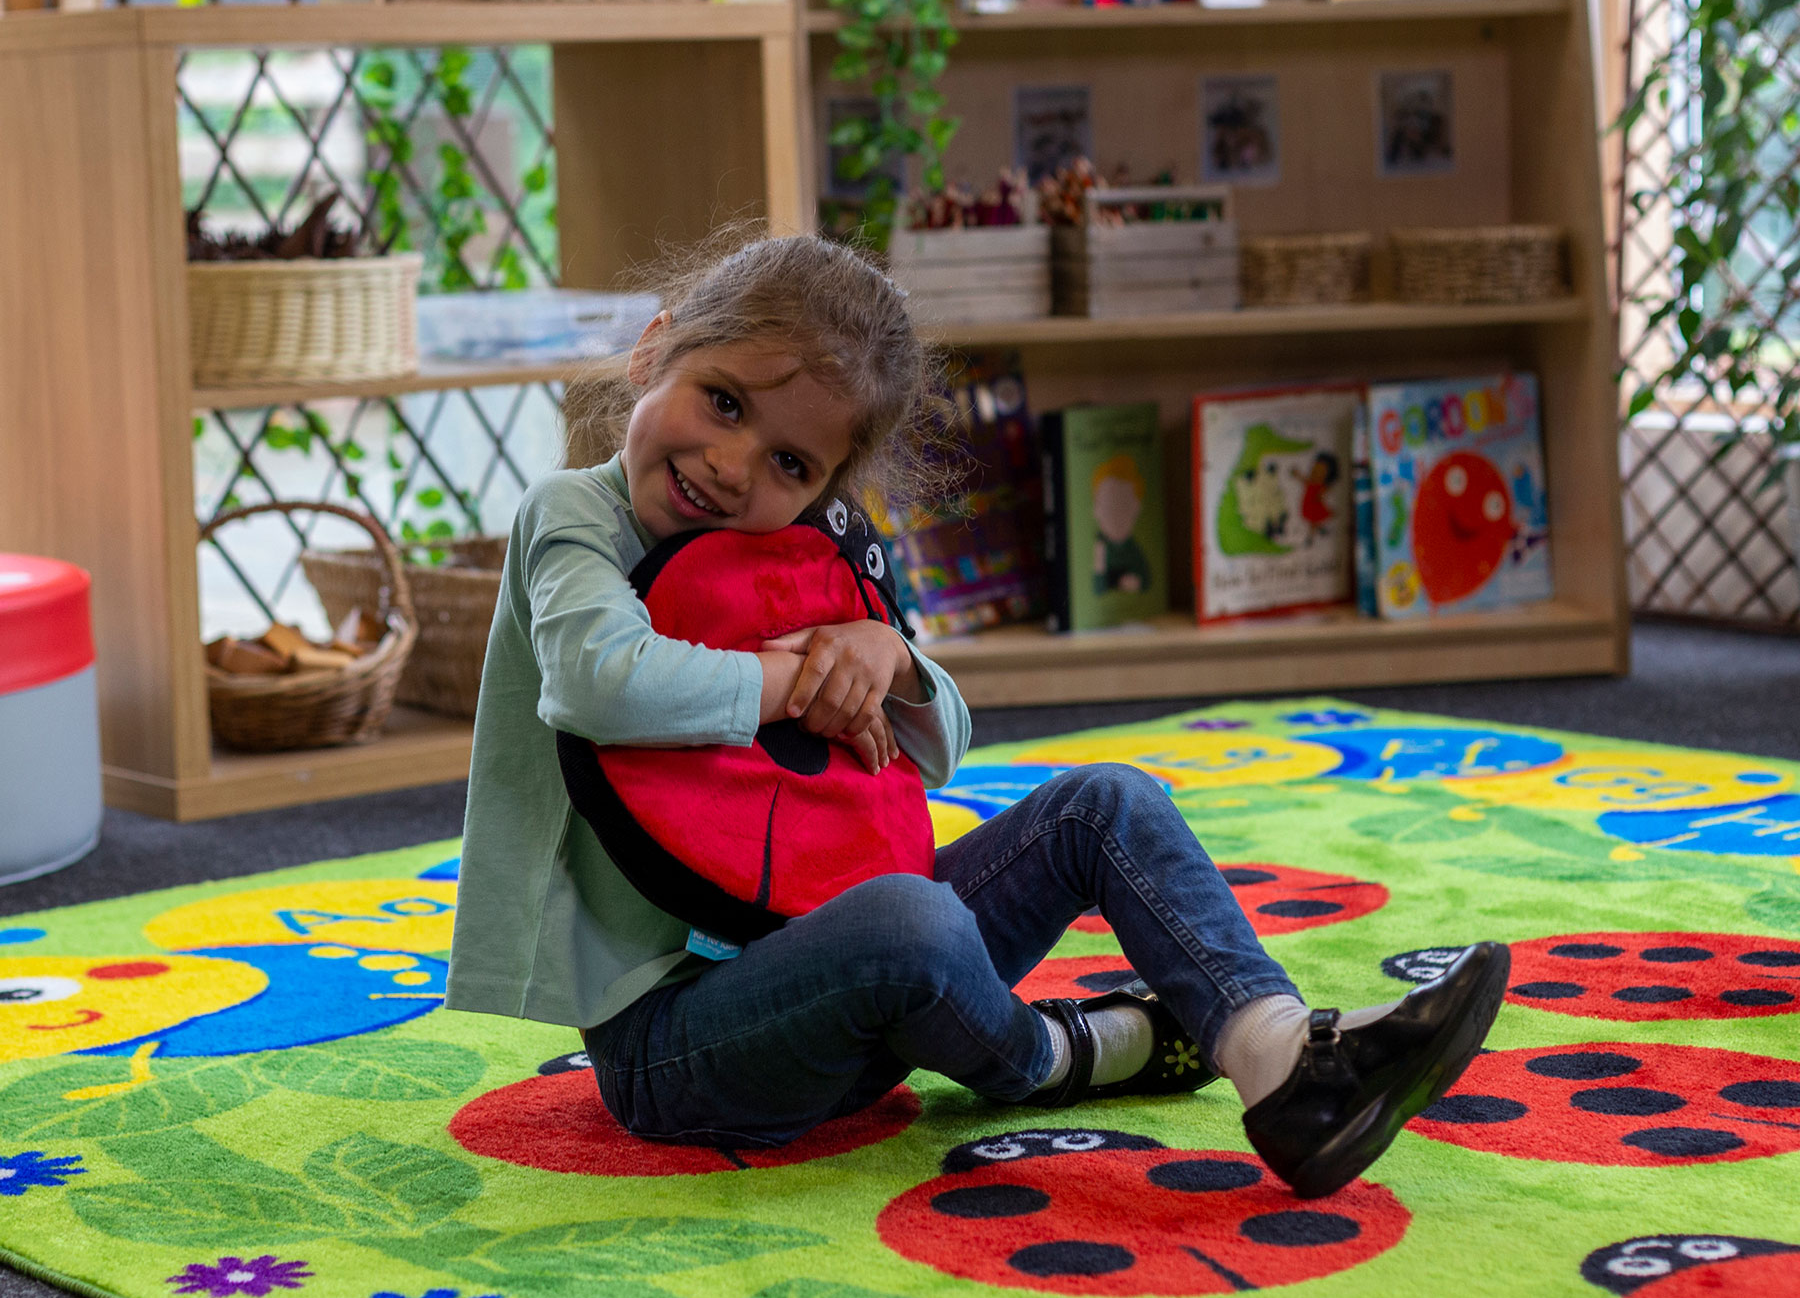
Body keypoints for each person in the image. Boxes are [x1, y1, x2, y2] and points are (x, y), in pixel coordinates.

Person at [445, 232, 1507, 1202]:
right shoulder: (574, 516)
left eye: (790, 464)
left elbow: (942, 745)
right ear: (653, 352)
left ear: (826, 484)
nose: (733, 468)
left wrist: (890, 658)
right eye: (722, 402)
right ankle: (1050, 1056)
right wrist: (787, 677)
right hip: (676, 1046)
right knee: (913, 922)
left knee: (1108, 803)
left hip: (860, 970)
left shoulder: (804, 549)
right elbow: (596, 679)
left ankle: (1281, 1057)